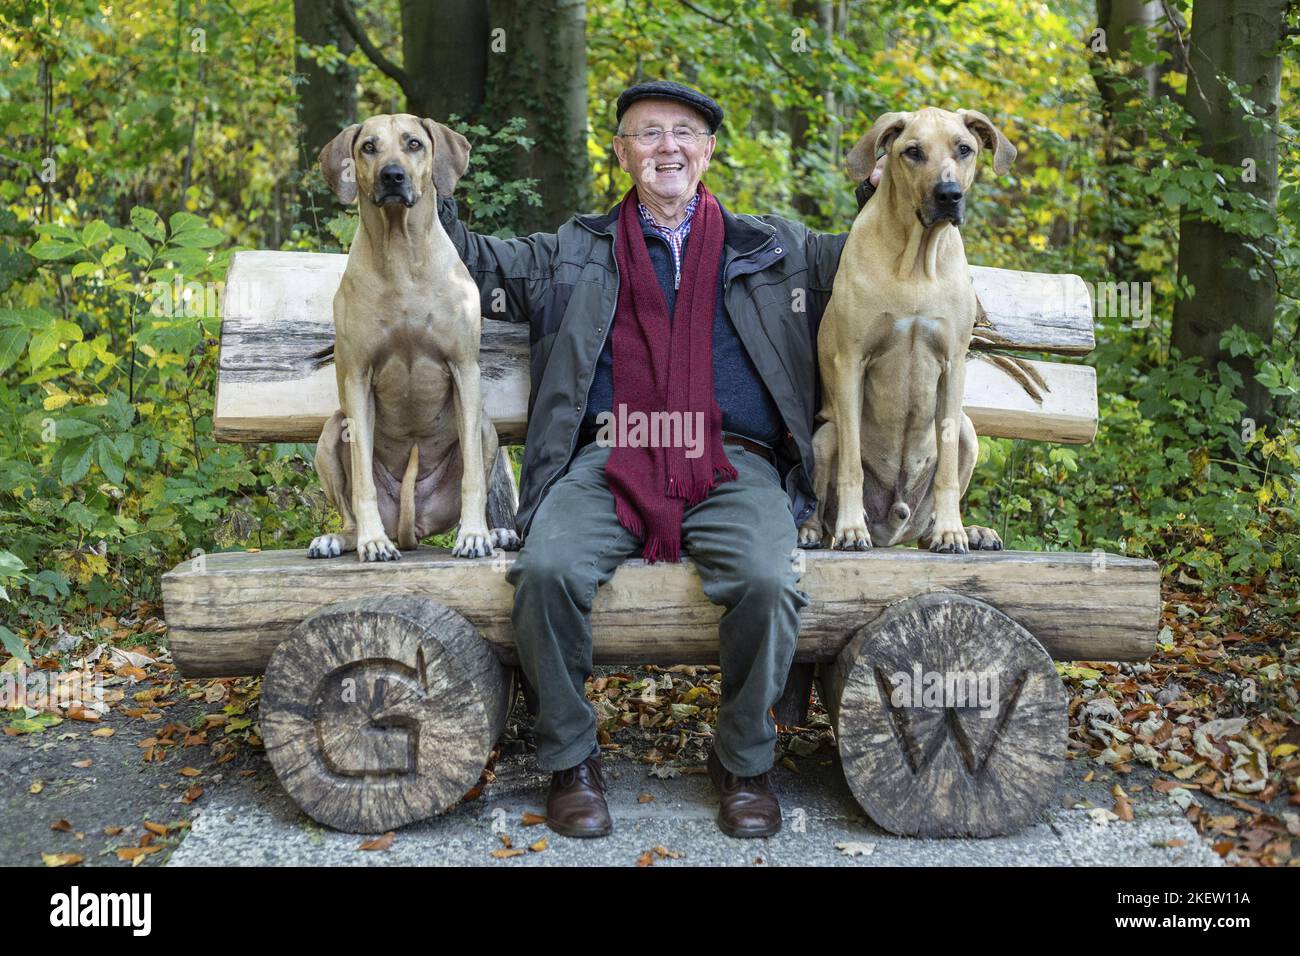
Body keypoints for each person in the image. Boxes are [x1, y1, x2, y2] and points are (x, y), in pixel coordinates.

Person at [437, 79, 883, 839]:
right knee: (545, 572)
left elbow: (880, 255)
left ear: (708, 151)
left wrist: (892, 179)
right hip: (609, 457)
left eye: (684, 132)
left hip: (733, 462)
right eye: (646, 133)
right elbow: (474, 266)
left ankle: (743, 761)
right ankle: (571, 759)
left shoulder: (776, 250)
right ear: (621, 153)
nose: (666, 146)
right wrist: (426, 174)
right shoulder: (572, 250)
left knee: (769, 580)